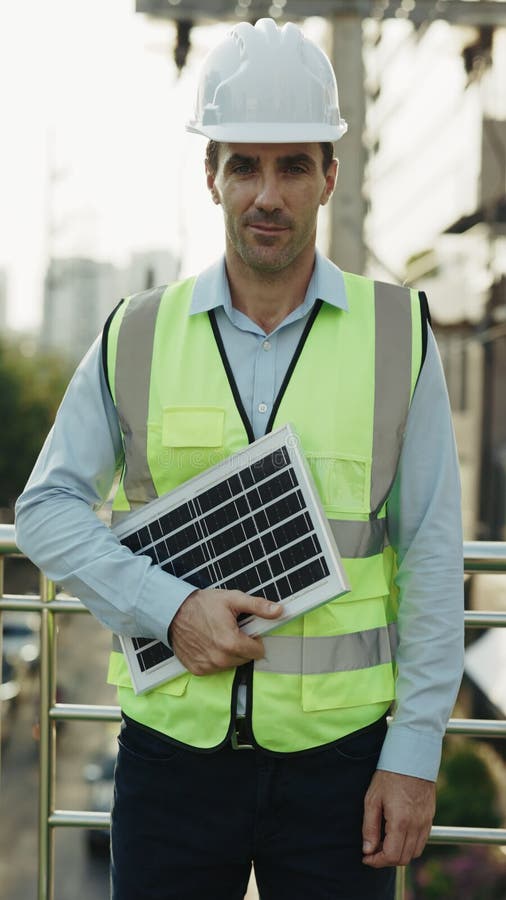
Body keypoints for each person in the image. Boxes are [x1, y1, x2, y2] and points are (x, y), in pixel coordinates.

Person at [15, 17, 464, 900]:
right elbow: (46, 508)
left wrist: (414, 753)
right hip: (171, 765)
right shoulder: (134, 333)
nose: (268, 194)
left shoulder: (397, 333)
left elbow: (434, 554)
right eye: (245, 166)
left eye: (293, 165)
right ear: (211, 174)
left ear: (329, 176)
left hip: (343, 769)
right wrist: (170, 606)